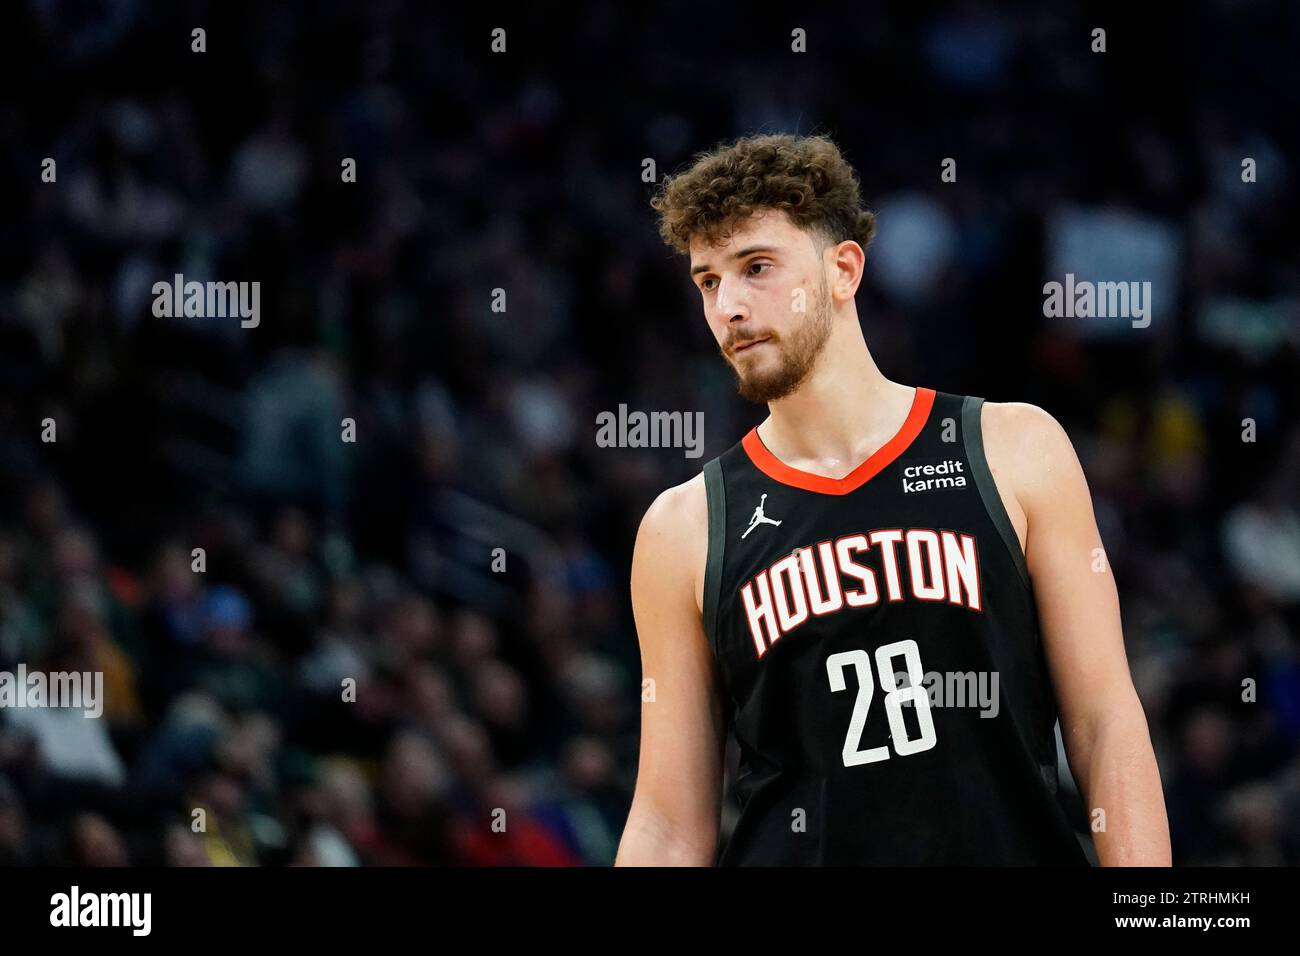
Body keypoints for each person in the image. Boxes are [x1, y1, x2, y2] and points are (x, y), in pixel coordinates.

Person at [615, 133, 1170, 865]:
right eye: (709, 281)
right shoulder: (683, 528)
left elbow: (1103, 725)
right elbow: (667, 822)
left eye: (756, 267)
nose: (731, 307)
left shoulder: (1012, 447)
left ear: (843, 269)